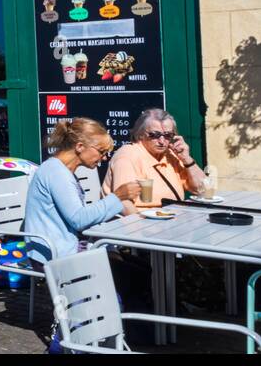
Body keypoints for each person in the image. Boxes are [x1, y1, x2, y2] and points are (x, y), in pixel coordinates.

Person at [24, 117, 141, 262]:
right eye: (102, 151)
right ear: (79, 147)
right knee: (136, 273)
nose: (104, 158)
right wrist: (117, 197)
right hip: (55, 257)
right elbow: (79, 220)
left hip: (64, 250)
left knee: (137, 267)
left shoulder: (60, 170)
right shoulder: (56, 173)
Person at [102, 108, 205, 204]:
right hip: (139, 219)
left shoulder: (171, 155)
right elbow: (124, 202)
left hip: (172, 215)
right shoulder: (127, 155)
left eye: (168, 135)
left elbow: (202, 189)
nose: (162, 141)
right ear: (141, 134)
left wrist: (187, 159)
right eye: (155, 135)